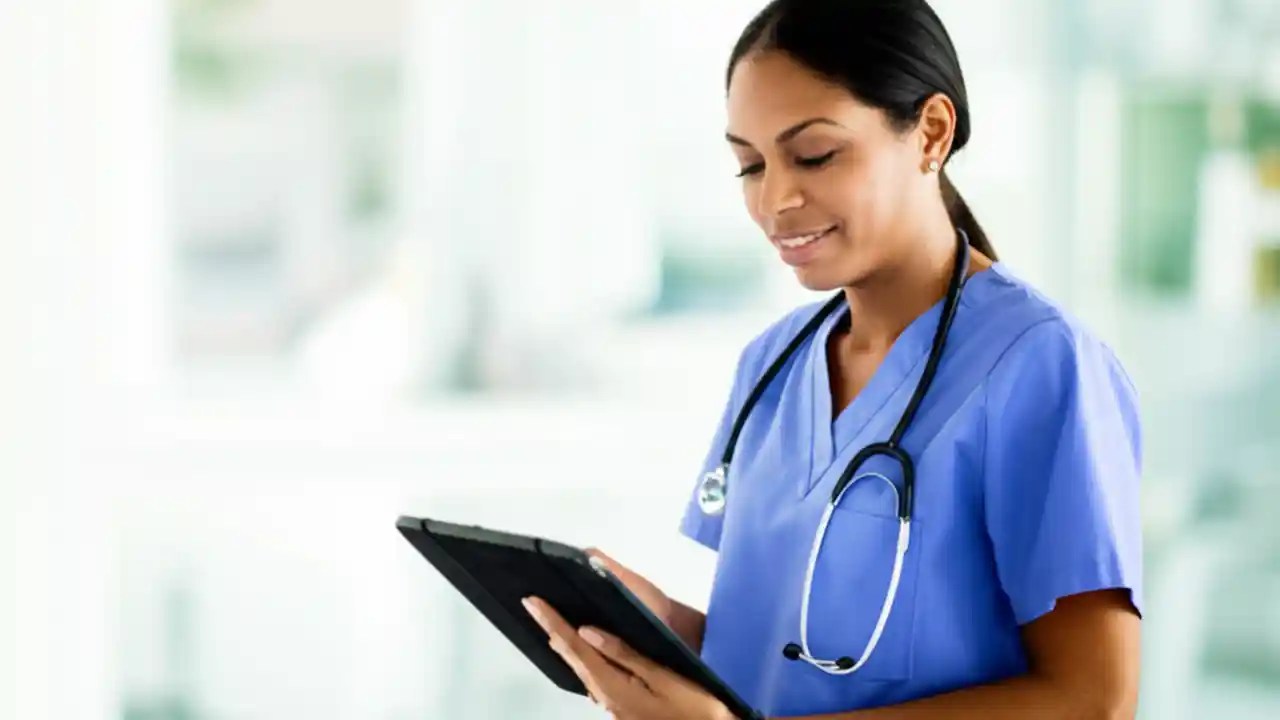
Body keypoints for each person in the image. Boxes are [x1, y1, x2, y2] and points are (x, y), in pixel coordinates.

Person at [522, 1, 1143, 717]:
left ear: (931, 134)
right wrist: (646, 626)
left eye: (814, 154)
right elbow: (776, 658)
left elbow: (1094, 699)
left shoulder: (1040, 367)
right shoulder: (772, 367)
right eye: (749, 166)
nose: (776, 199)